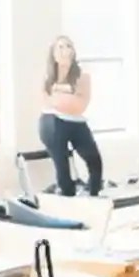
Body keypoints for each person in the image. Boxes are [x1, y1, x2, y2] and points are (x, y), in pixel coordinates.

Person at [38, 35, 103, 197]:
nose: (65, 50)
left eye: (68, 46)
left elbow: (80, 105)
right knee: (62, 166)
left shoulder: (82, 77)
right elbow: (46, 101)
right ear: (53, 54)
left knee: (95, 161)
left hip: (76, 123)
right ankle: (66, 195)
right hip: (52, 122)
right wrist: (68, 98)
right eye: (60, 47)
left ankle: (93, 194)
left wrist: (59, 98)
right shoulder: (48, 77)